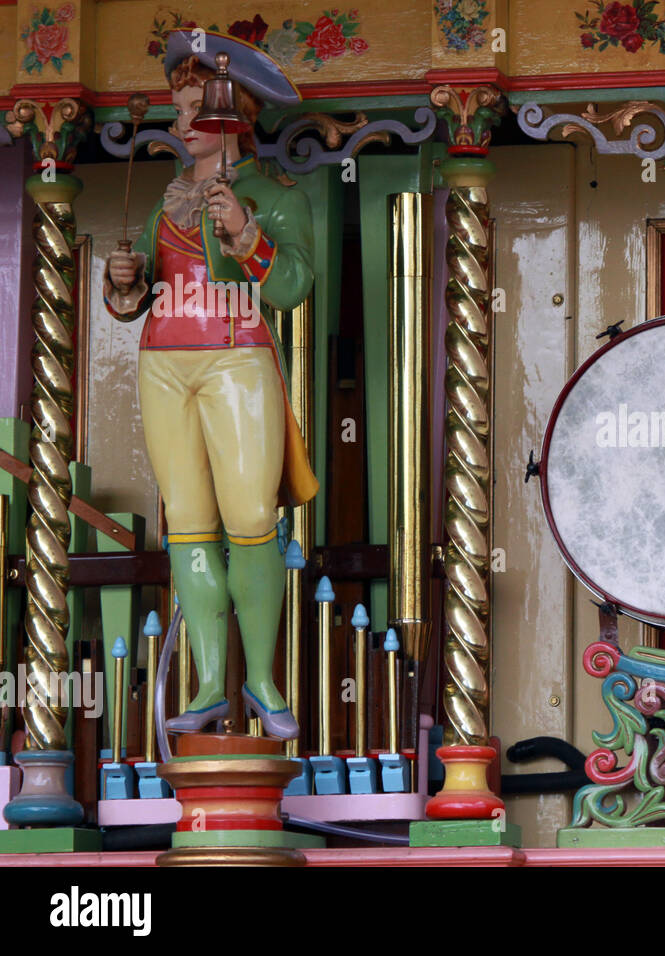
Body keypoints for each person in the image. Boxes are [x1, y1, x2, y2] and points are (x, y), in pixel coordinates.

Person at [104, 31, 316, 739]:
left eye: (200, 107)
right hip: (163, 362)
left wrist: (248, 235)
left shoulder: (274, 196)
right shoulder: (165, 200)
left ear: (237, 115)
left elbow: (292, 286)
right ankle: (206, 682)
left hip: (237, 360)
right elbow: (142, 292)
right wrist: (124, 282)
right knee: (188, 521)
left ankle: (261, 679)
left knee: (251, 519)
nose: (185, 122)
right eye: (180, 109)